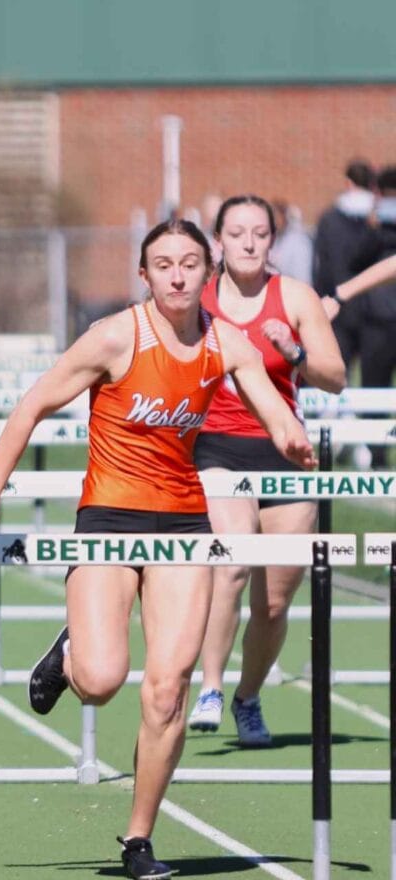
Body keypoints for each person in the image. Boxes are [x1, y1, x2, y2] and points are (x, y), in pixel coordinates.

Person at [0, 218, 314, 880]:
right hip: (108, 520)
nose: (177, 275)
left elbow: (271, 407)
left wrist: (291, 436)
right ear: (143, 275)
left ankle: (139, 839)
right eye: (163, 264)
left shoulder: (223, 341)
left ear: (208, 275)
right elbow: (30, 408)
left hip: (181, 524)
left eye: (188, 264)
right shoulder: (116, 336)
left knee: (167, 691)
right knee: (99, 681)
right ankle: (70, 651)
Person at [184, 196, 345, 746]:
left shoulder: (294, 297)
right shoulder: (196, 299)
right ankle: (208, 685)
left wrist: (294, 351)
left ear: (273, 241)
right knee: (231, 562)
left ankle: (246, 697)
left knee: (274, 600)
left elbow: (337, 376)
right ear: (218, 242)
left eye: (259, 234)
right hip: (215, 447)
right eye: (237, 234)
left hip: (284, 451)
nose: (249, 243)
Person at [340, 164, 396, 467]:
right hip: (377, 322)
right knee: (375, 388)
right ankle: (376, 454)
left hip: (382, 321)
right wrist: (373, 230)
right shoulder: (372, 229)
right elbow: (356, 260)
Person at [312, 159, 375, 368]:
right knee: (376, 378)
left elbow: (321, 266)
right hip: (375, 306)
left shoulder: (330, 219)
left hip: (338, 302)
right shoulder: (379, 217)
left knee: (339, 368)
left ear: (348, 183)